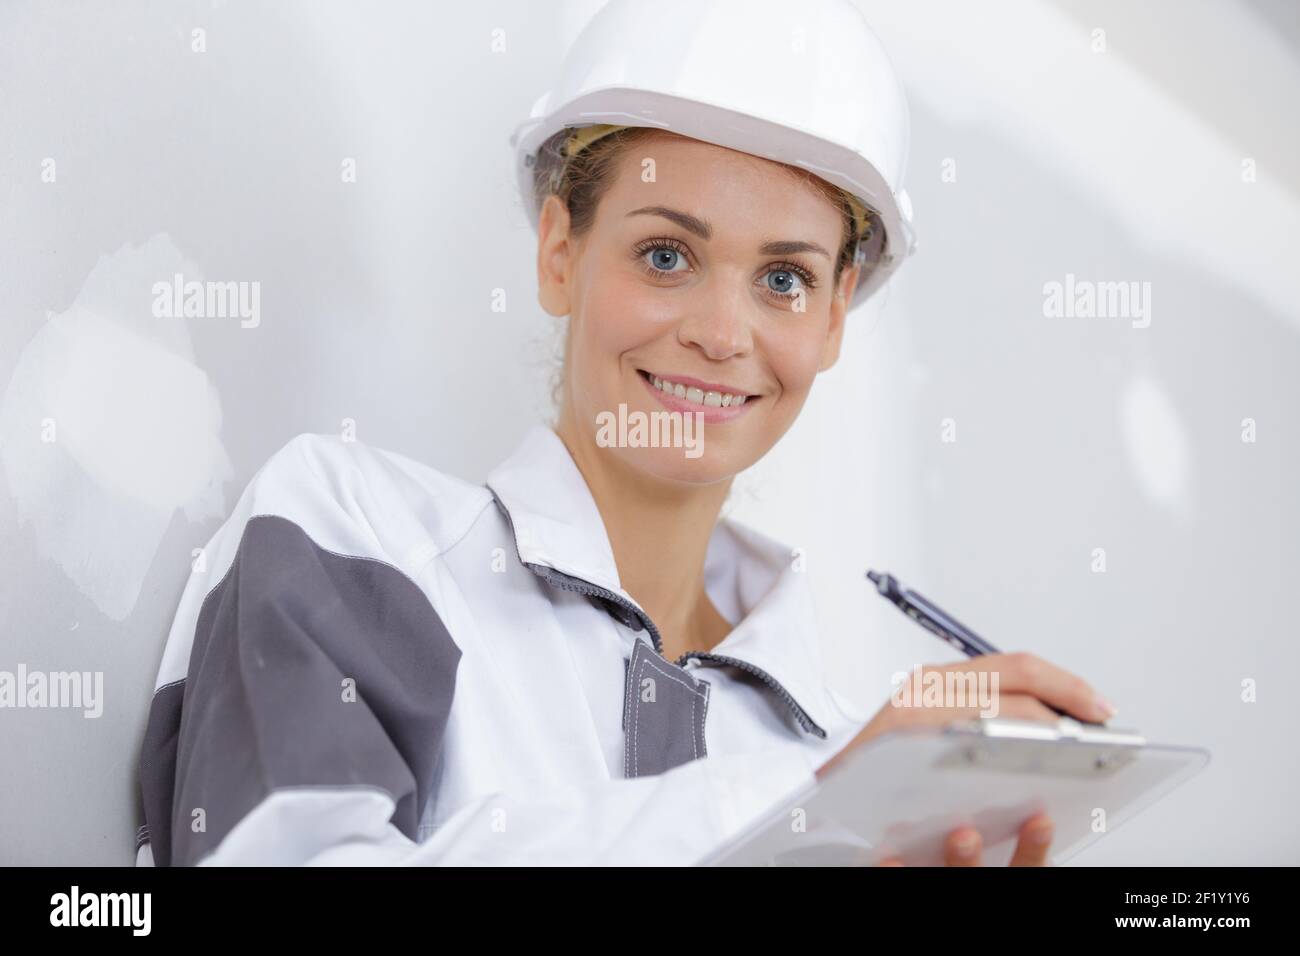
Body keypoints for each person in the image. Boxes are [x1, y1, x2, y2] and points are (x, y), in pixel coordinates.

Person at [135, 0, 1114, 867]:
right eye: (665, 252)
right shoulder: (350, 542)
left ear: (831, 317)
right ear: (560, 252)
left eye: (784, 278)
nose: (722, 334)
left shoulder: (856, 773)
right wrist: (798, 802)